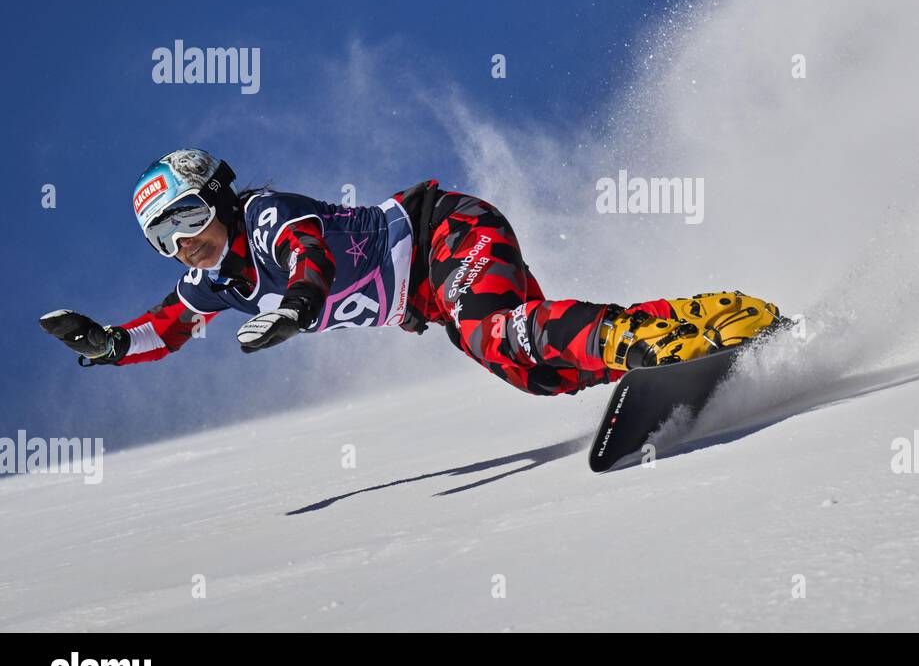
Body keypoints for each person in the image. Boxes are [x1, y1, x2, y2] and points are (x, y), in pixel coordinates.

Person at [40, 149, 782, 396]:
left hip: (445, 233)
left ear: (219, 200)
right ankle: (704, 319)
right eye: (163, 239)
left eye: (190, 218)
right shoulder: (216, 282)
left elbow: (311, 258)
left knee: (499, 335)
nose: (185, 244)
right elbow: (166, 327)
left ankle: (653, 343)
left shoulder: (265, 214)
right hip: (431, 292)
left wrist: (298, 308)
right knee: (535, 371)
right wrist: (109, 344)